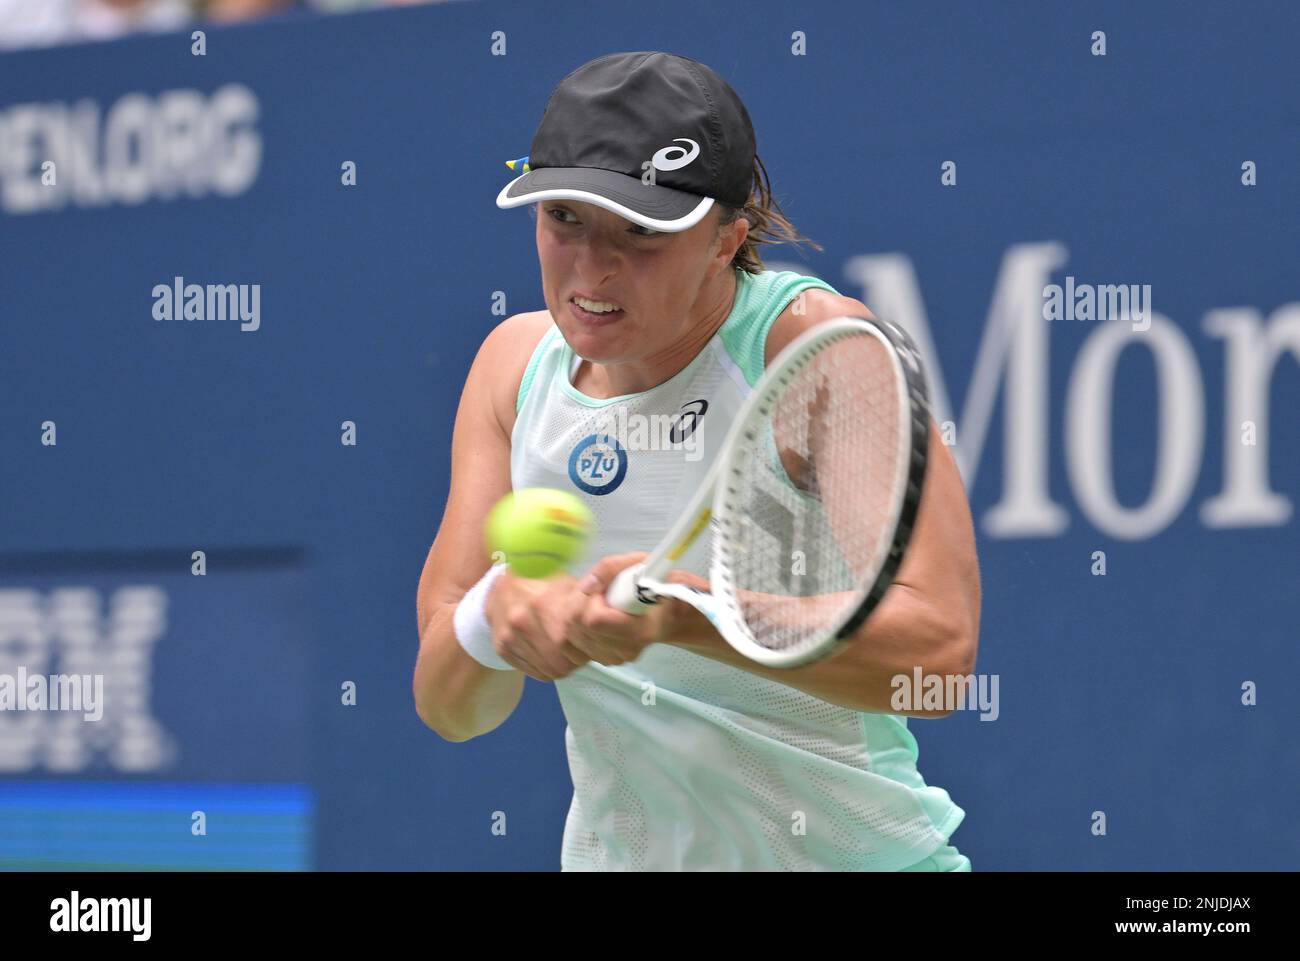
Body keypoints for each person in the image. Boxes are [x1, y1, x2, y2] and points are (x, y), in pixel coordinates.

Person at [414, 51, 981, 871]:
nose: (592, 268)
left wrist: (694, 614)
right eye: (565, 218)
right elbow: (448, 707)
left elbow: (938, 662)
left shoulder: (815, 349)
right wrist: (497, 617)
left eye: (642, 231)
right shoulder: (511, 369)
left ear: (726, 240)